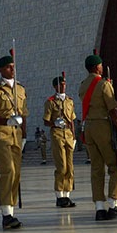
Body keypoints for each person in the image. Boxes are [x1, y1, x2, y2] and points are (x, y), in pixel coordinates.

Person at [78, 55, 117, 221]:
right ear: (96, 67)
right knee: (116, 166)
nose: (102, 67)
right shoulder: (103, 84)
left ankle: (99, 208)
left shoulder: (83, 85)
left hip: (89, 127)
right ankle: (114, 204)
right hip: (103, 126)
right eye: (100, 65)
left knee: (96, 169)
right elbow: (113, 109)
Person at [0, 54, 26, 229]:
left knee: (16, 173)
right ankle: (5, 213)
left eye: (13, 66)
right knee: (8, 170)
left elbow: (24, 114)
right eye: (9, 67)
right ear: (1, 70)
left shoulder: (20, 89)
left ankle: (11, 211)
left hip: (16, 134)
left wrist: (24, 135)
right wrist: (7, 121)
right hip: (1, 134)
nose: (12, 69)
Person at [43, 76, 76, 208]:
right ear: (55, 86)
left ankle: (67, 195)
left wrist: (74, 136)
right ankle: (59, 195)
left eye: (64, 84)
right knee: (61, 166)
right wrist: (54, 123)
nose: (63, 87)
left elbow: (71, 120)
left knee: (70, 167)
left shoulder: (69, 101)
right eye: (60, 85)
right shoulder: (50, 102)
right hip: (57, 134)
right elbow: (46, 121)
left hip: (68, 134)